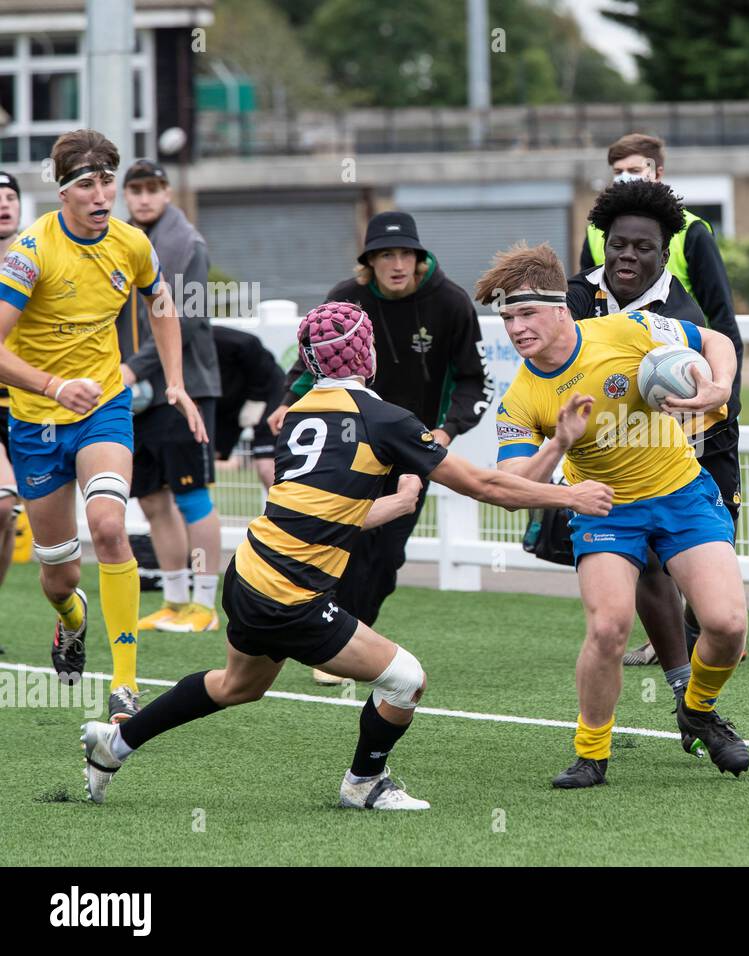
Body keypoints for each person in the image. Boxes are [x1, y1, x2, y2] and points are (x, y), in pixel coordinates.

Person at [79, 302, 613, 810]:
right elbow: (482, 485)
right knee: (407, 680)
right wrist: (570, 491)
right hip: (290, 592)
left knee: (235, 685)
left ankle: (116, 743)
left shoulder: (298, 414)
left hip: (249, 572)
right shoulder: (386, 419)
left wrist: (397, 503)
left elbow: (322, 511)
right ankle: (365, 783)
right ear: (367, 355)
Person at [480, 242, 749, 788]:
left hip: (682, 494)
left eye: (526, 313)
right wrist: (559, 443)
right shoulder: (521, 398)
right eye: (507, 318)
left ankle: (696, 709)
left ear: (561, 307)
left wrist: (718, 385)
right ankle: (591, 754)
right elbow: (514, 489)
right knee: (608, 629)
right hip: (605, 510)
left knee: (727, 626)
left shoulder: (629, 331)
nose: (516, 328)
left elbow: (716, 339)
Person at [0, 130, 206, 725]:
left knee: (111, 525)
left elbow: (160, 304)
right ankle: (71, 619)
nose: (101, 193)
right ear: (62, 191)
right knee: (58, 575)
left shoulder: (132, 243)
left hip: (104, 407)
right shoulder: (32, 251)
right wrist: (52, 386)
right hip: (38, 422)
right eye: (86, 183)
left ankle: (123, 684)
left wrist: (173, 381)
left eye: (106, 180)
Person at [268, 212, 492, 683]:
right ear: (369, 262)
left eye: (404, 253)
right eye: (385, 255)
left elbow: (474, 381)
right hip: (347, 443)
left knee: (387, 554)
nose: (396, 263)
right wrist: (287, 402)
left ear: (418, 257)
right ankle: (328, 637)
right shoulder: (345, 298)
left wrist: (444, 433)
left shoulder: (450, 303)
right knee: (340, 537)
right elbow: (312, 360)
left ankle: (351, 635)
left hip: (413, 446)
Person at [568, 178, 744, 704]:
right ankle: (679, 681)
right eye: (618, 244)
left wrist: (718, 388)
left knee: (708, 592)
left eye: (643, 247)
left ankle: (698, 690)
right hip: (608, 454)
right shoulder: (576, 298)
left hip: (693, 443)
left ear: (664, 253)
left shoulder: (679, 315)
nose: (627, 255)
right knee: (641, 560)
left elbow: (720, 340)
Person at [116, 159, 224, 635]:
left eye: (152, 188)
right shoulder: (120, 240)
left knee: (191, 495)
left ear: (167, 192)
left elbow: (180, 318)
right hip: (134, 390)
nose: (143, 197)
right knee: (153, 499)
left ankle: (205, 602)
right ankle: (175, 600)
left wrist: (132, 368)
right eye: (134, 189)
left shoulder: (187, 243)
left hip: (186, 389)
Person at [212, 324, 285, 491]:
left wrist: (256, 398)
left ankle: (286, 513)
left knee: (266, 466)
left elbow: (251, 344)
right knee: (206, 461)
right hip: (229, 404)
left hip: (266, 392)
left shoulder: (218, 338)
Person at [0, 170, 23, 588]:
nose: (4, 204)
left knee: (7, 516)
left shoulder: (40, 255)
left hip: (31, 406)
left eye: (10, 196)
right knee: (2, 506)